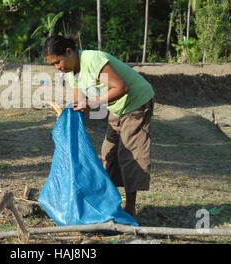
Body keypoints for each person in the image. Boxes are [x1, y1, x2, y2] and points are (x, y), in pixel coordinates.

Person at [43, 35, 155, 220]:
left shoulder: (93, 60)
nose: (58, 68)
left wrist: (92, 102)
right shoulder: (72, 74)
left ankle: (130, 208)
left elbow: (121, 87)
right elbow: (81, 105)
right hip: (117, 108)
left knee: (129, 155)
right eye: (53, 65)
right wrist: (66, 116)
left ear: (69, 52)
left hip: (137, 102)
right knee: (108, 154)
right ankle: (108, 205)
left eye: (58, 62)